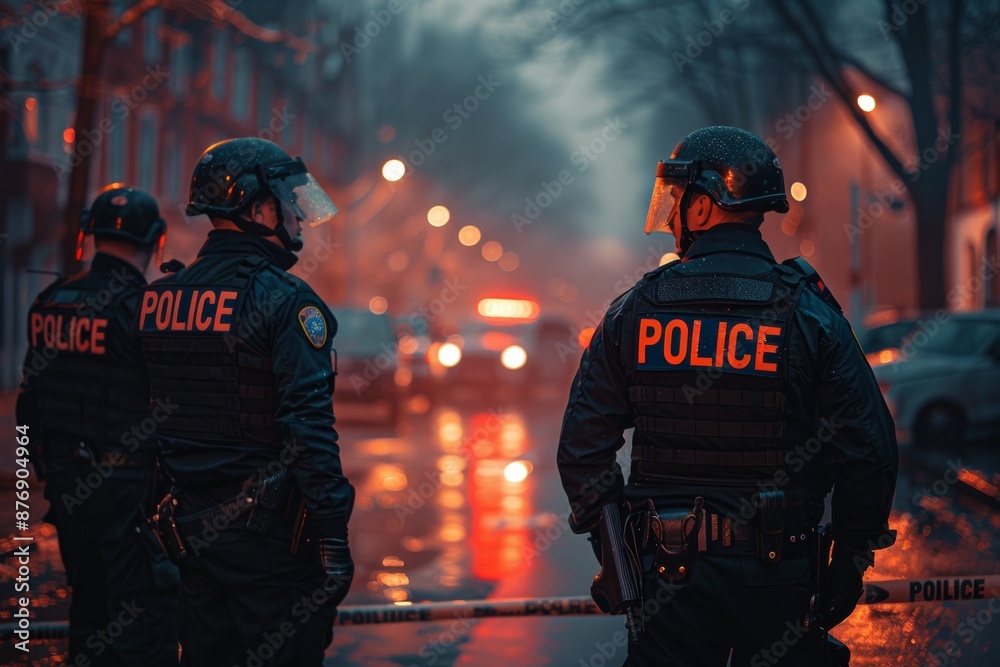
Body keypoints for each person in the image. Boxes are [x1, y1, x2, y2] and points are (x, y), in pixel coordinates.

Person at [556, 126, 898, 666]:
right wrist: (850, 557)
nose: (671, 216)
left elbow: (581, 449)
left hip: (668, 578)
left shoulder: (633, 312)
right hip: (780, 573)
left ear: (702, 207)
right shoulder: (809, 314)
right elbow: (869, 451)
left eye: (678, 200)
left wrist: (619, 551)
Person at [136, 137, 354, 666]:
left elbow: (143, 421)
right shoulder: (286, 300)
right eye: (287, 204)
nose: (297, 218)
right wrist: (332, 533)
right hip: (271, 547)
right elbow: (308, 427)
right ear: (256, 210)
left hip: (190, 536)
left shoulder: (160, 299)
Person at [16, 184, 179, 666]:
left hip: (66, 485)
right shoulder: (143, 308)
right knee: (141, 622)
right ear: (157, 241)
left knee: (88, 613)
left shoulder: (51, 299)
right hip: (128, 492)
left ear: (89, 234)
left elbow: (31, 401)